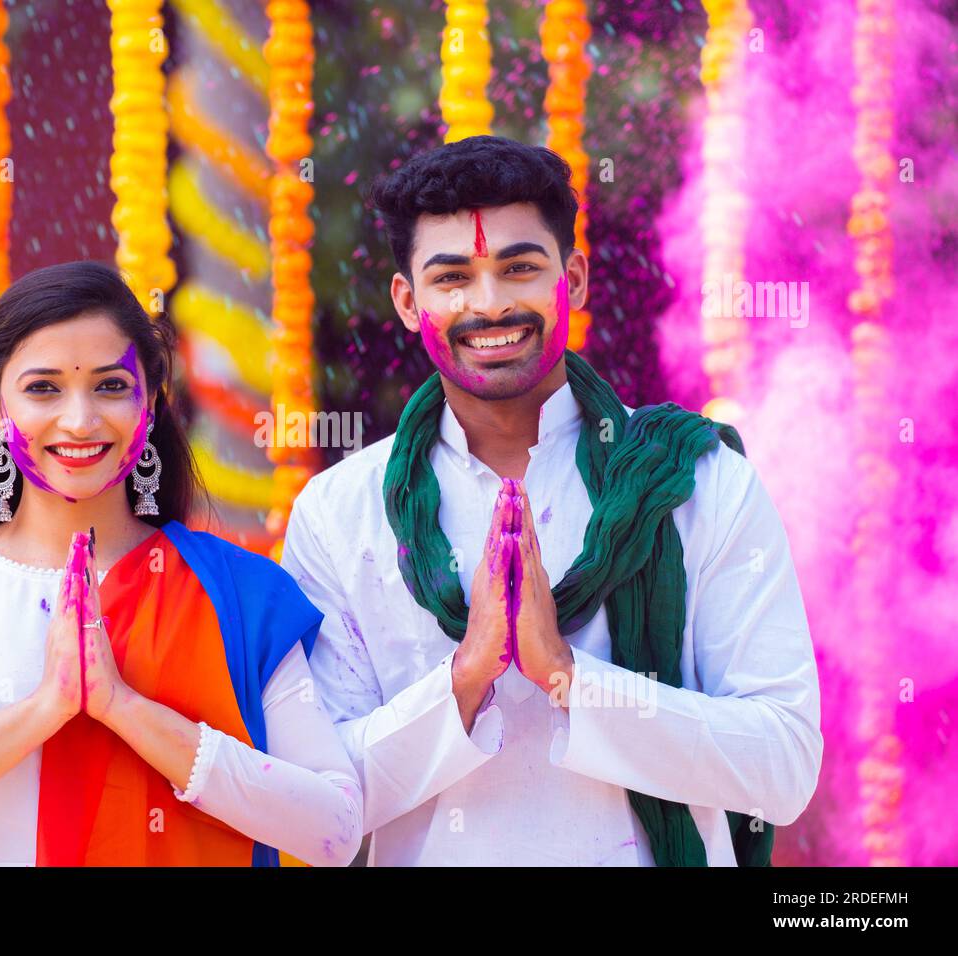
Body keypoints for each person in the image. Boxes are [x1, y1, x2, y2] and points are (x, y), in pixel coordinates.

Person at [279, 136, 823, 866]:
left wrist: (569, 677)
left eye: (519, 268)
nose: (490, 303)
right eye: (451, 278)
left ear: (574, 276)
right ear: (408, 303)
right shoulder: (340, 513)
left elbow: (783, 767)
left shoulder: (696, 483)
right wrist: (465, 681)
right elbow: (320, 806)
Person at [0, 261, 362, 866]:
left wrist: (127, 710)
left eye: (110, 385)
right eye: (43, 388)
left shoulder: (239, 594)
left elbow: (334, 829)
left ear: (151, 403)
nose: (80, 420)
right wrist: (40, 712)